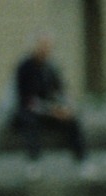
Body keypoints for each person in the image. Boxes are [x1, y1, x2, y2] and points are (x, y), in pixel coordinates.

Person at [12, 36, 86, 164]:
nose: (46, 50)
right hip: (27, 110)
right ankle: (33, 162)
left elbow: (60, 91)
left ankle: (82, 160)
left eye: (48, 47)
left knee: (72, 120)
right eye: (43, 46)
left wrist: (65, 107)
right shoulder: (25, 67)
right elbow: (26, 100)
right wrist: (51, 110)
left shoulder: (51, 67)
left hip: (48, 110)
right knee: (30, 121)